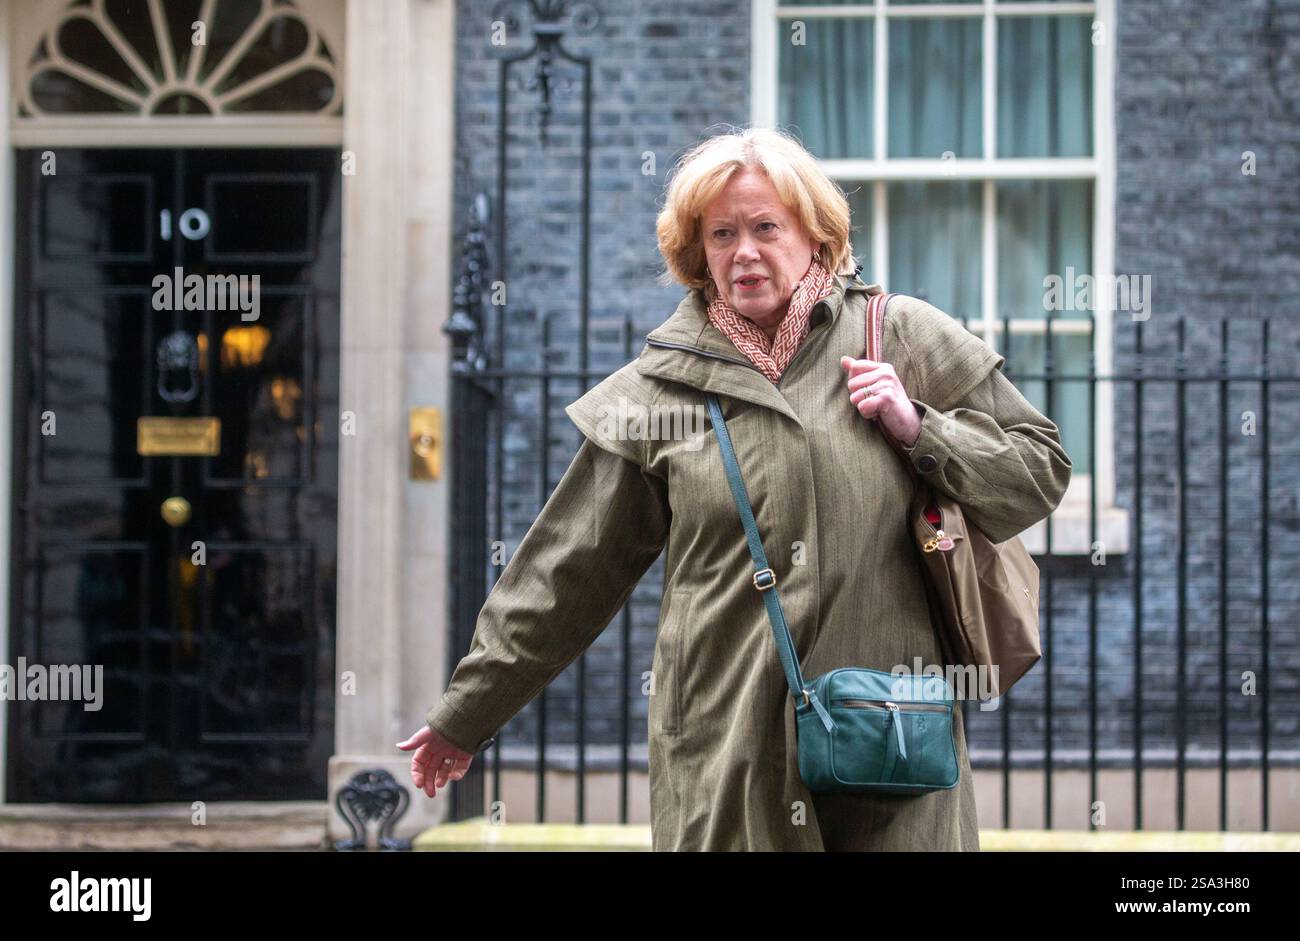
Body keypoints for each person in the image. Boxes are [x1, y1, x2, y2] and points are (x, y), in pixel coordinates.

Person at [398, 126, 1072, 851]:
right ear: (697, 254)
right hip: (727, 752)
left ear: (815, 235)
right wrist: (467, 713)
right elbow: (568, 568)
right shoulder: (659, 388)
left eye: (764, 227)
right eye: (721, 234)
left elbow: (1038, 472)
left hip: (890, 742)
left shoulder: (899, 336)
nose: (743, 251)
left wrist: (919, 429)